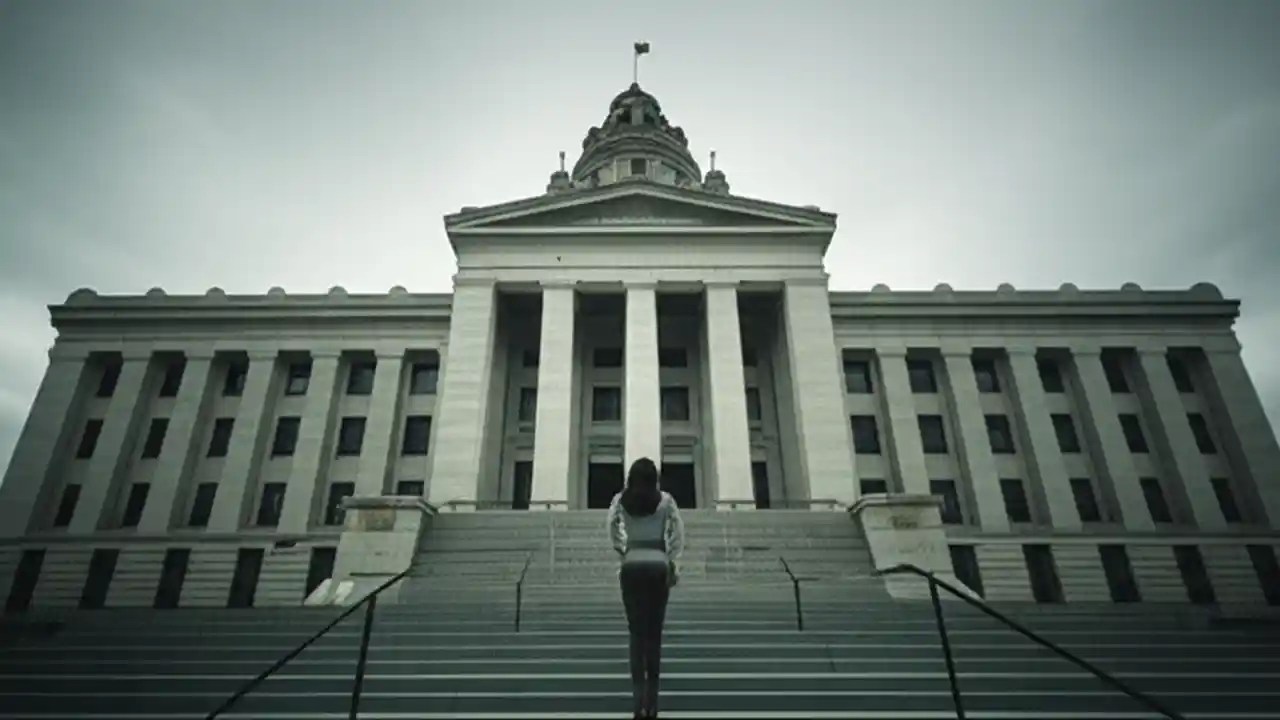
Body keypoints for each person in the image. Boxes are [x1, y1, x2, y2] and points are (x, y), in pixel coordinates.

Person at [607, 457, 685, 719]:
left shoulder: (622, 500)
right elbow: (678, 532)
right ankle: (652, 703)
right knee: (654, 634)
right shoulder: (665, 500)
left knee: (636, 634)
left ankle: (637, 701)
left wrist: (623, 550)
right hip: (657, 565)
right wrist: (671, 559)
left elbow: (611, 526)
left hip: (631, 566)